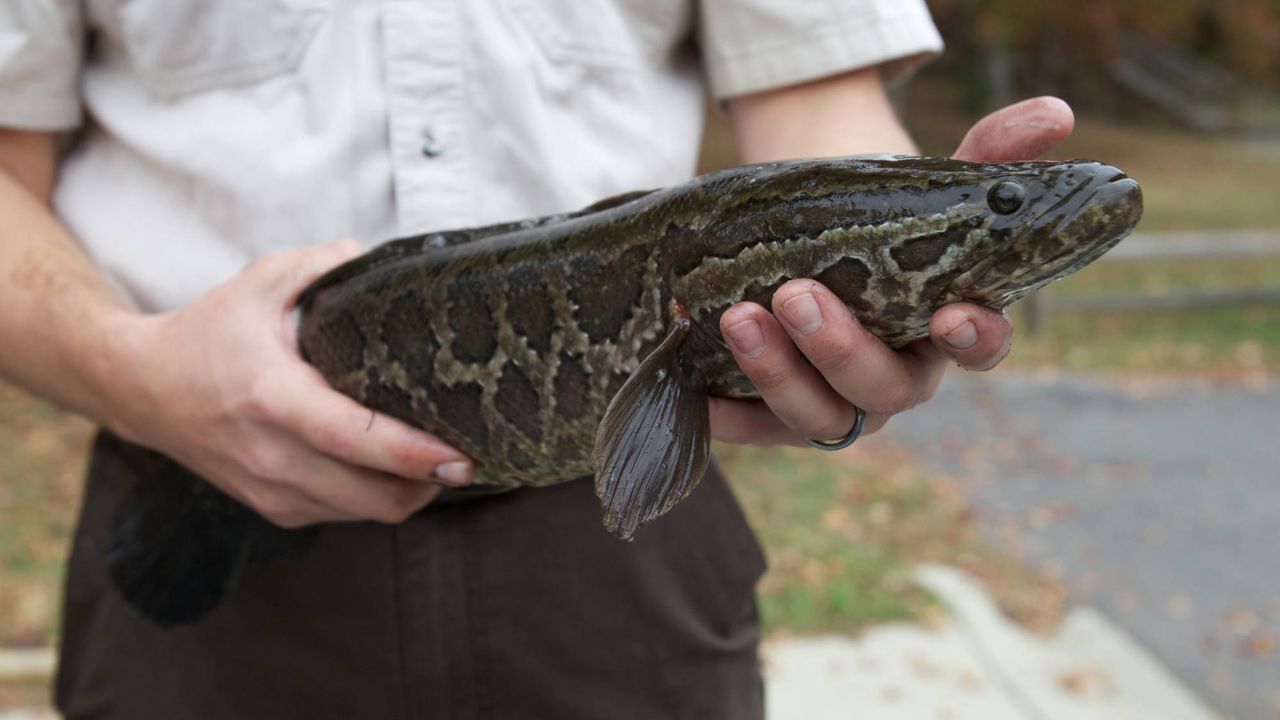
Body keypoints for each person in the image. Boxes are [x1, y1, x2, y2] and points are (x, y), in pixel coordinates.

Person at [0, 2, 1073, 717]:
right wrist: (131, 371)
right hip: (196, 512)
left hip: (621, 535)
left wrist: (905, 246)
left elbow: (809, 90)